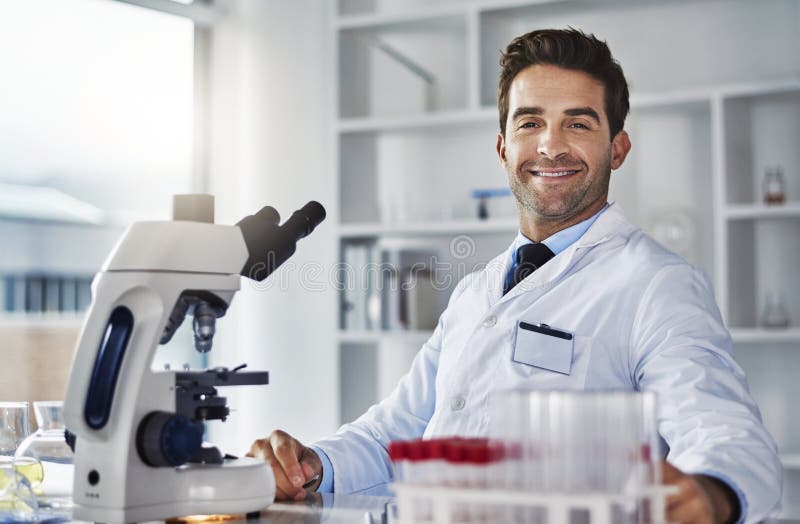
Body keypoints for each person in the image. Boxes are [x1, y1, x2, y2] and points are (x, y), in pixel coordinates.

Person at [249, 28, 782, 523]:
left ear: (617, 148)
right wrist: (314, 464)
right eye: (530, 122)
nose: (550, 145)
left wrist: (712, 492)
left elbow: (721, 428)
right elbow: (402, 429)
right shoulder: (473, 292)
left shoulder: (655, 284)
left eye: (578, 122)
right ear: (503, 147)